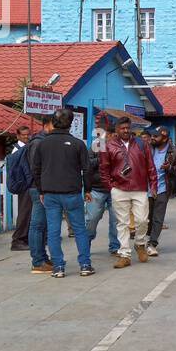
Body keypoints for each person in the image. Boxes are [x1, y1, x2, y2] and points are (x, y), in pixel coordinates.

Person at [32, 108, 94, 278]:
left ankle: (58, 267)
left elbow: (36, 169)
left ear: (53, 122)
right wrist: (87, 189)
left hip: (50, 194)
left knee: (53, 231)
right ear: (71, 123)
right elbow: (86, 169)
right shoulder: (77, 144)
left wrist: (41, 190)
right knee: (80, 230)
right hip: (72, 193)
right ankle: (85, 265)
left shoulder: (42, 143)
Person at [99, 116, 157, 269]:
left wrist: (154, 185)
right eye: (122, 128)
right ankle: (125, 254)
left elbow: (151, 166)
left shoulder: (142, 144)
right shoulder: (108, 145)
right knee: (122, 223)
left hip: (140, 188)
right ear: (117, 129)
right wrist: (110, 187)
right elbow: (104, 169)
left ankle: (139, 244)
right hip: (119, 189)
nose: (125, 130)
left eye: (127, 128)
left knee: (143, 221)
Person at [24, 116, 55, 274]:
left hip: (42, 188)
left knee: (42, 226)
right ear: (46, 125)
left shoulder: (44, 141)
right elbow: (36, 168)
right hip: (38, 189)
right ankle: (37, 261)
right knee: (37, 225)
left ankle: (43, 258)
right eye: (54, 124)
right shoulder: (38, 142)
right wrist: (42, 189)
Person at [85, 124, 120, 257]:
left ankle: (115, 247)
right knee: (92, 218)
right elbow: (87, 166)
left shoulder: (120, 148)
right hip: (97, 189)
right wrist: (102, 158)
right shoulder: (96, 147)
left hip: (116, 189)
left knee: (116, 220)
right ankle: (86, 243)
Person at [147, 127, 176, 255]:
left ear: (165, 138)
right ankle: (147, 237)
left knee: (158, 217)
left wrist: (170, 167)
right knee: (147, 217)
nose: (153, 138)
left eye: (156, 137)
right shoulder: (149, 147)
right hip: (147, 188)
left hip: (163, 188)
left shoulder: (175, 151)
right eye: (152, 136)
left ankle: (152, 243)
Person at [9, 125, 34, 251]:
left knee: (29, 212)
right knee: (24, 212)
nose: (26, 136)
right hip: (24, 185)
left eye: (27, 134)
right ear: (18, 135)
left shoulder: (27, 147)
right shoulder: (17, 150)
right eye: (23, 135)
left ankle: (26, 238)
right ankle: (18, 239)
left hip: (28, 184)